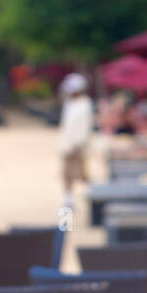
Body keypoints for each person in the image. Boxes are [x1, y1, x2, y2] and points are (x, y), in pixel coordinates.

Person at [57, 73, 94, 205]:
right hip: (68, 145)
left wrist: (78, 145)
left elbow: (84, 128)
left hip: (77, 146)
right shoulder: (70, 103)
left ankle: (92, 195)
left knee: (81, 174)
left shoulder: (85, 104)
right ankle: (69, 199)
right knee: (68, 174)